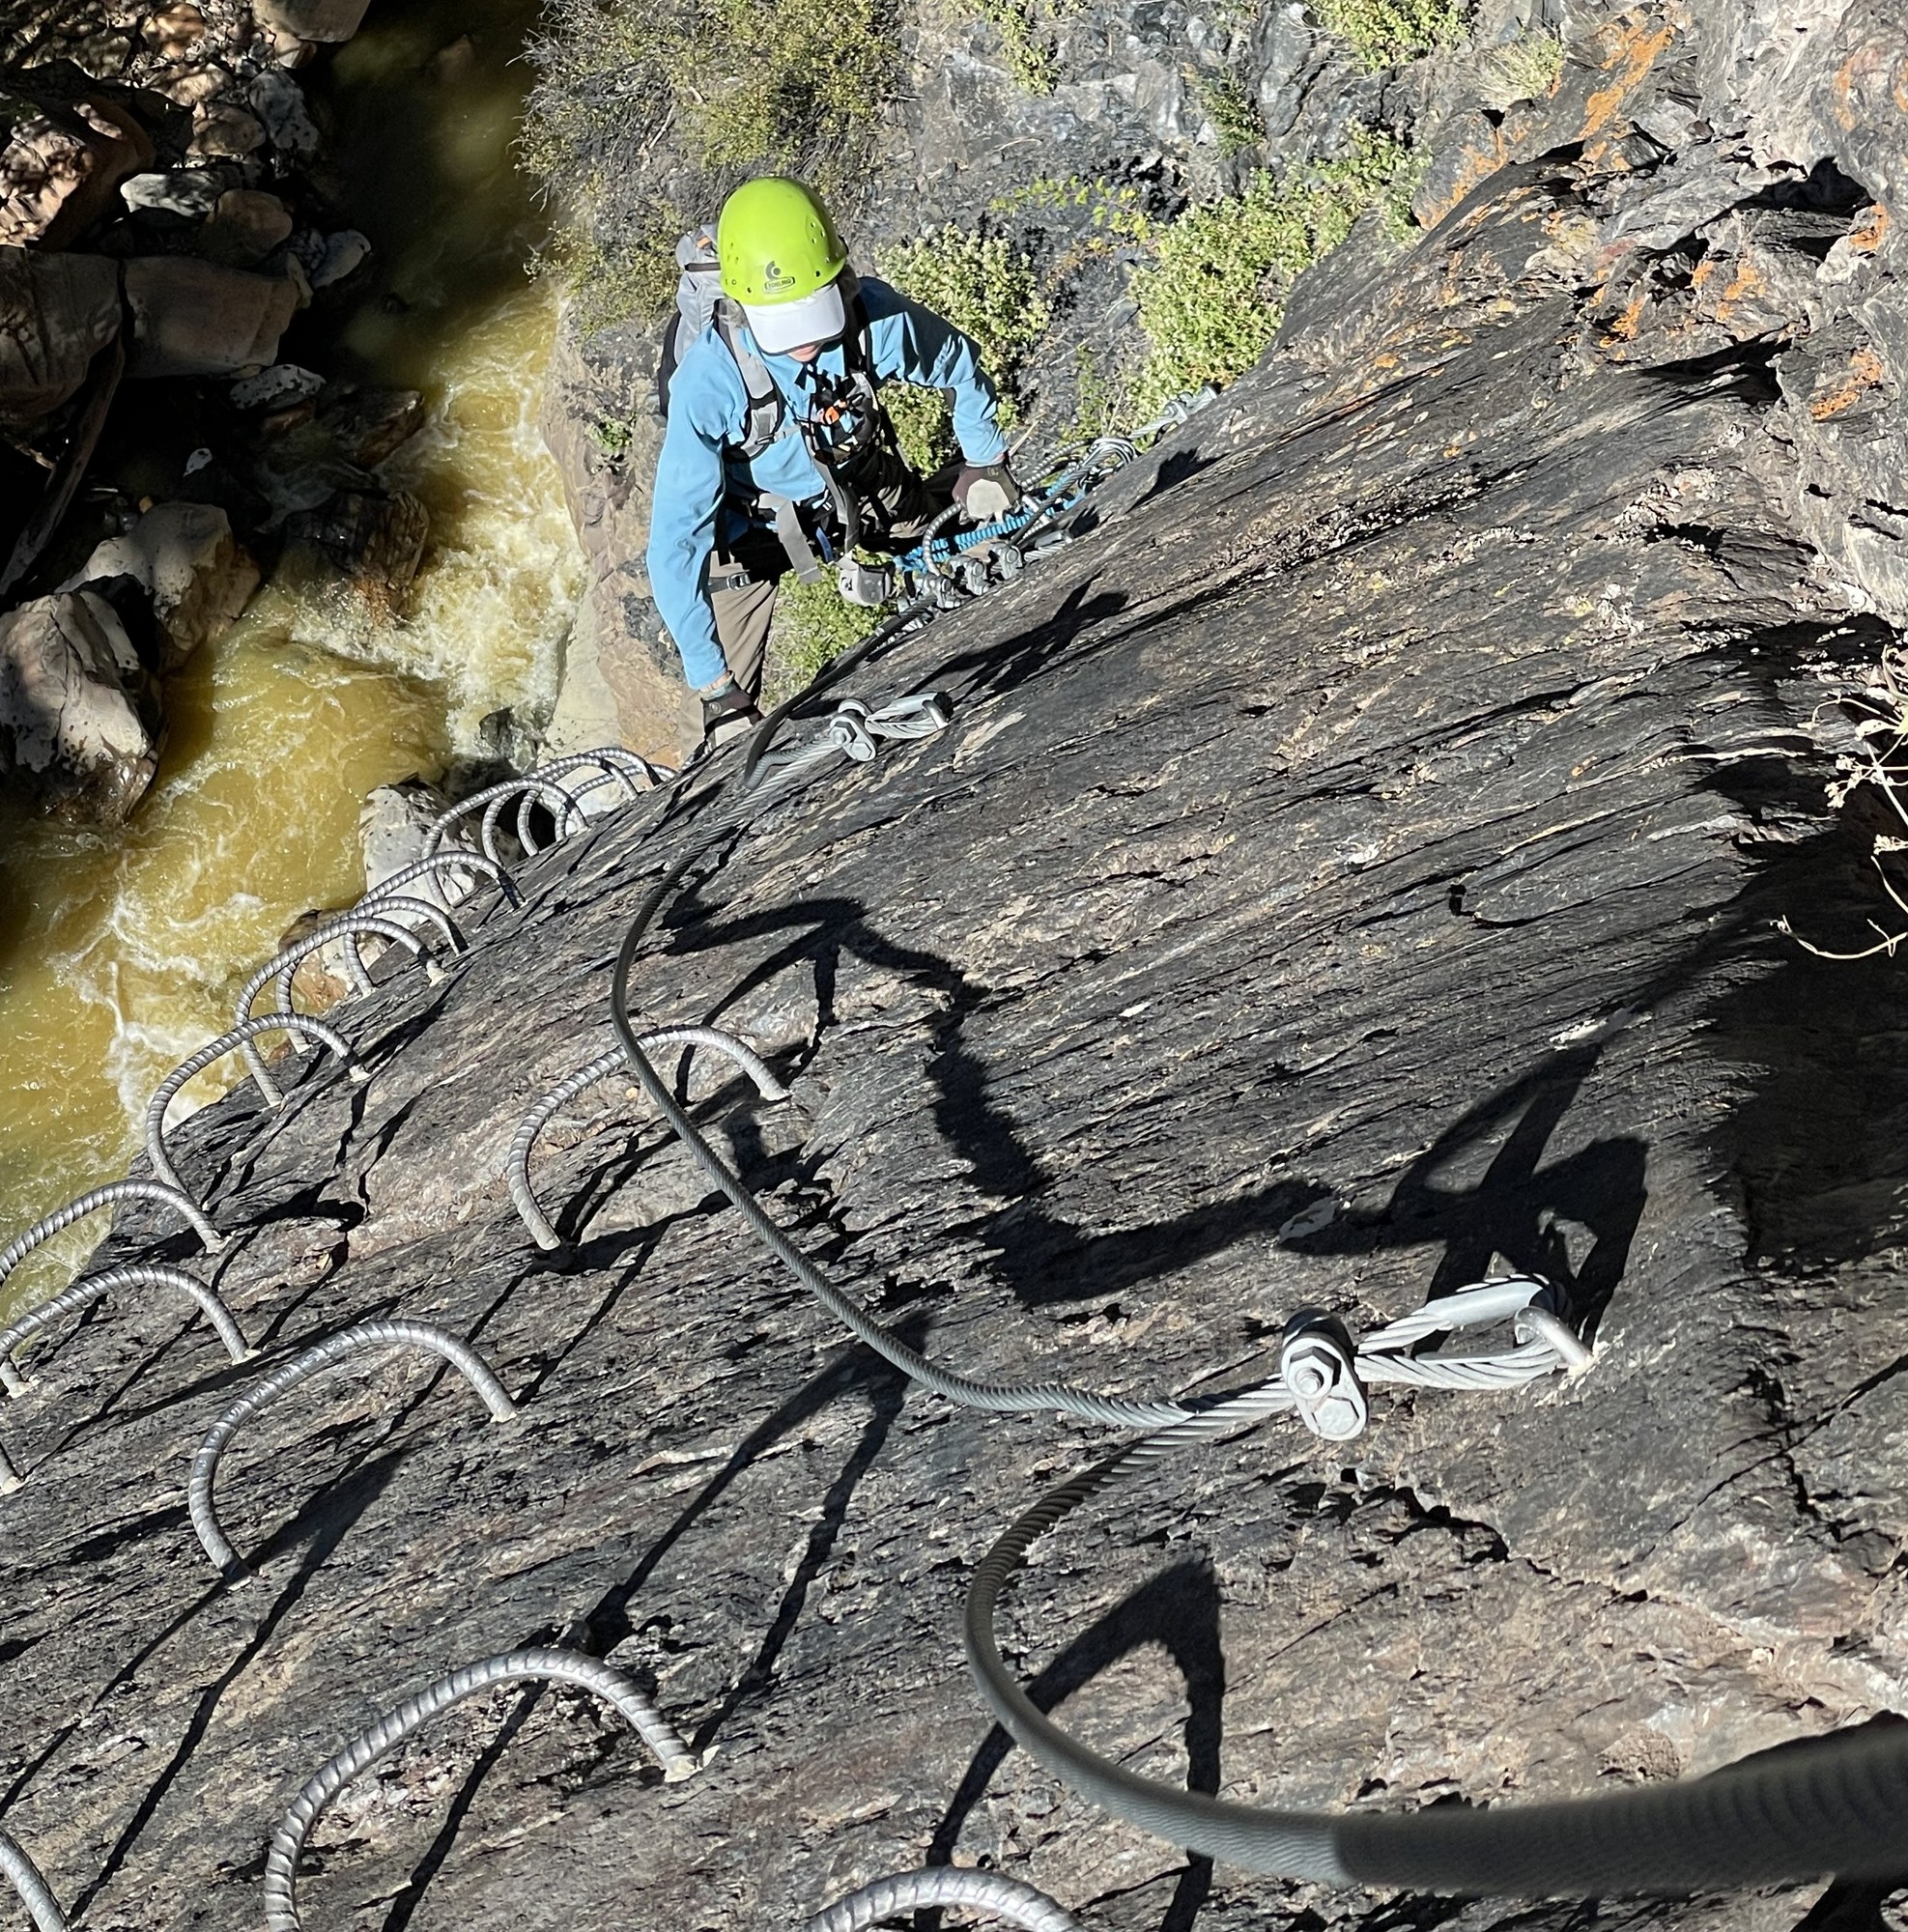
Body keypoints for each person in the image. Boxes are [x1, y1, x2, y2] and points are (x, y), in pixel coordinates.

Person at [645, 176, 1021, 744]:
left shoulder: (870, 317)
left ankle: (945, 555)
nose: (804, 343)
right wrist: (715, 683)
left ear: (839, 284)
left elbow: (956, 365)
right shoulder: (710, 382)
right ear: (742, 306)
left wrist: (985, 461)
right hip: (749, 536)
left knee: (967, 537)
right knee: (724, 738)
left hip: (859, 484)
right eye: (785, 324)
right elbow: (676, 544)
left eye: (814, 317)